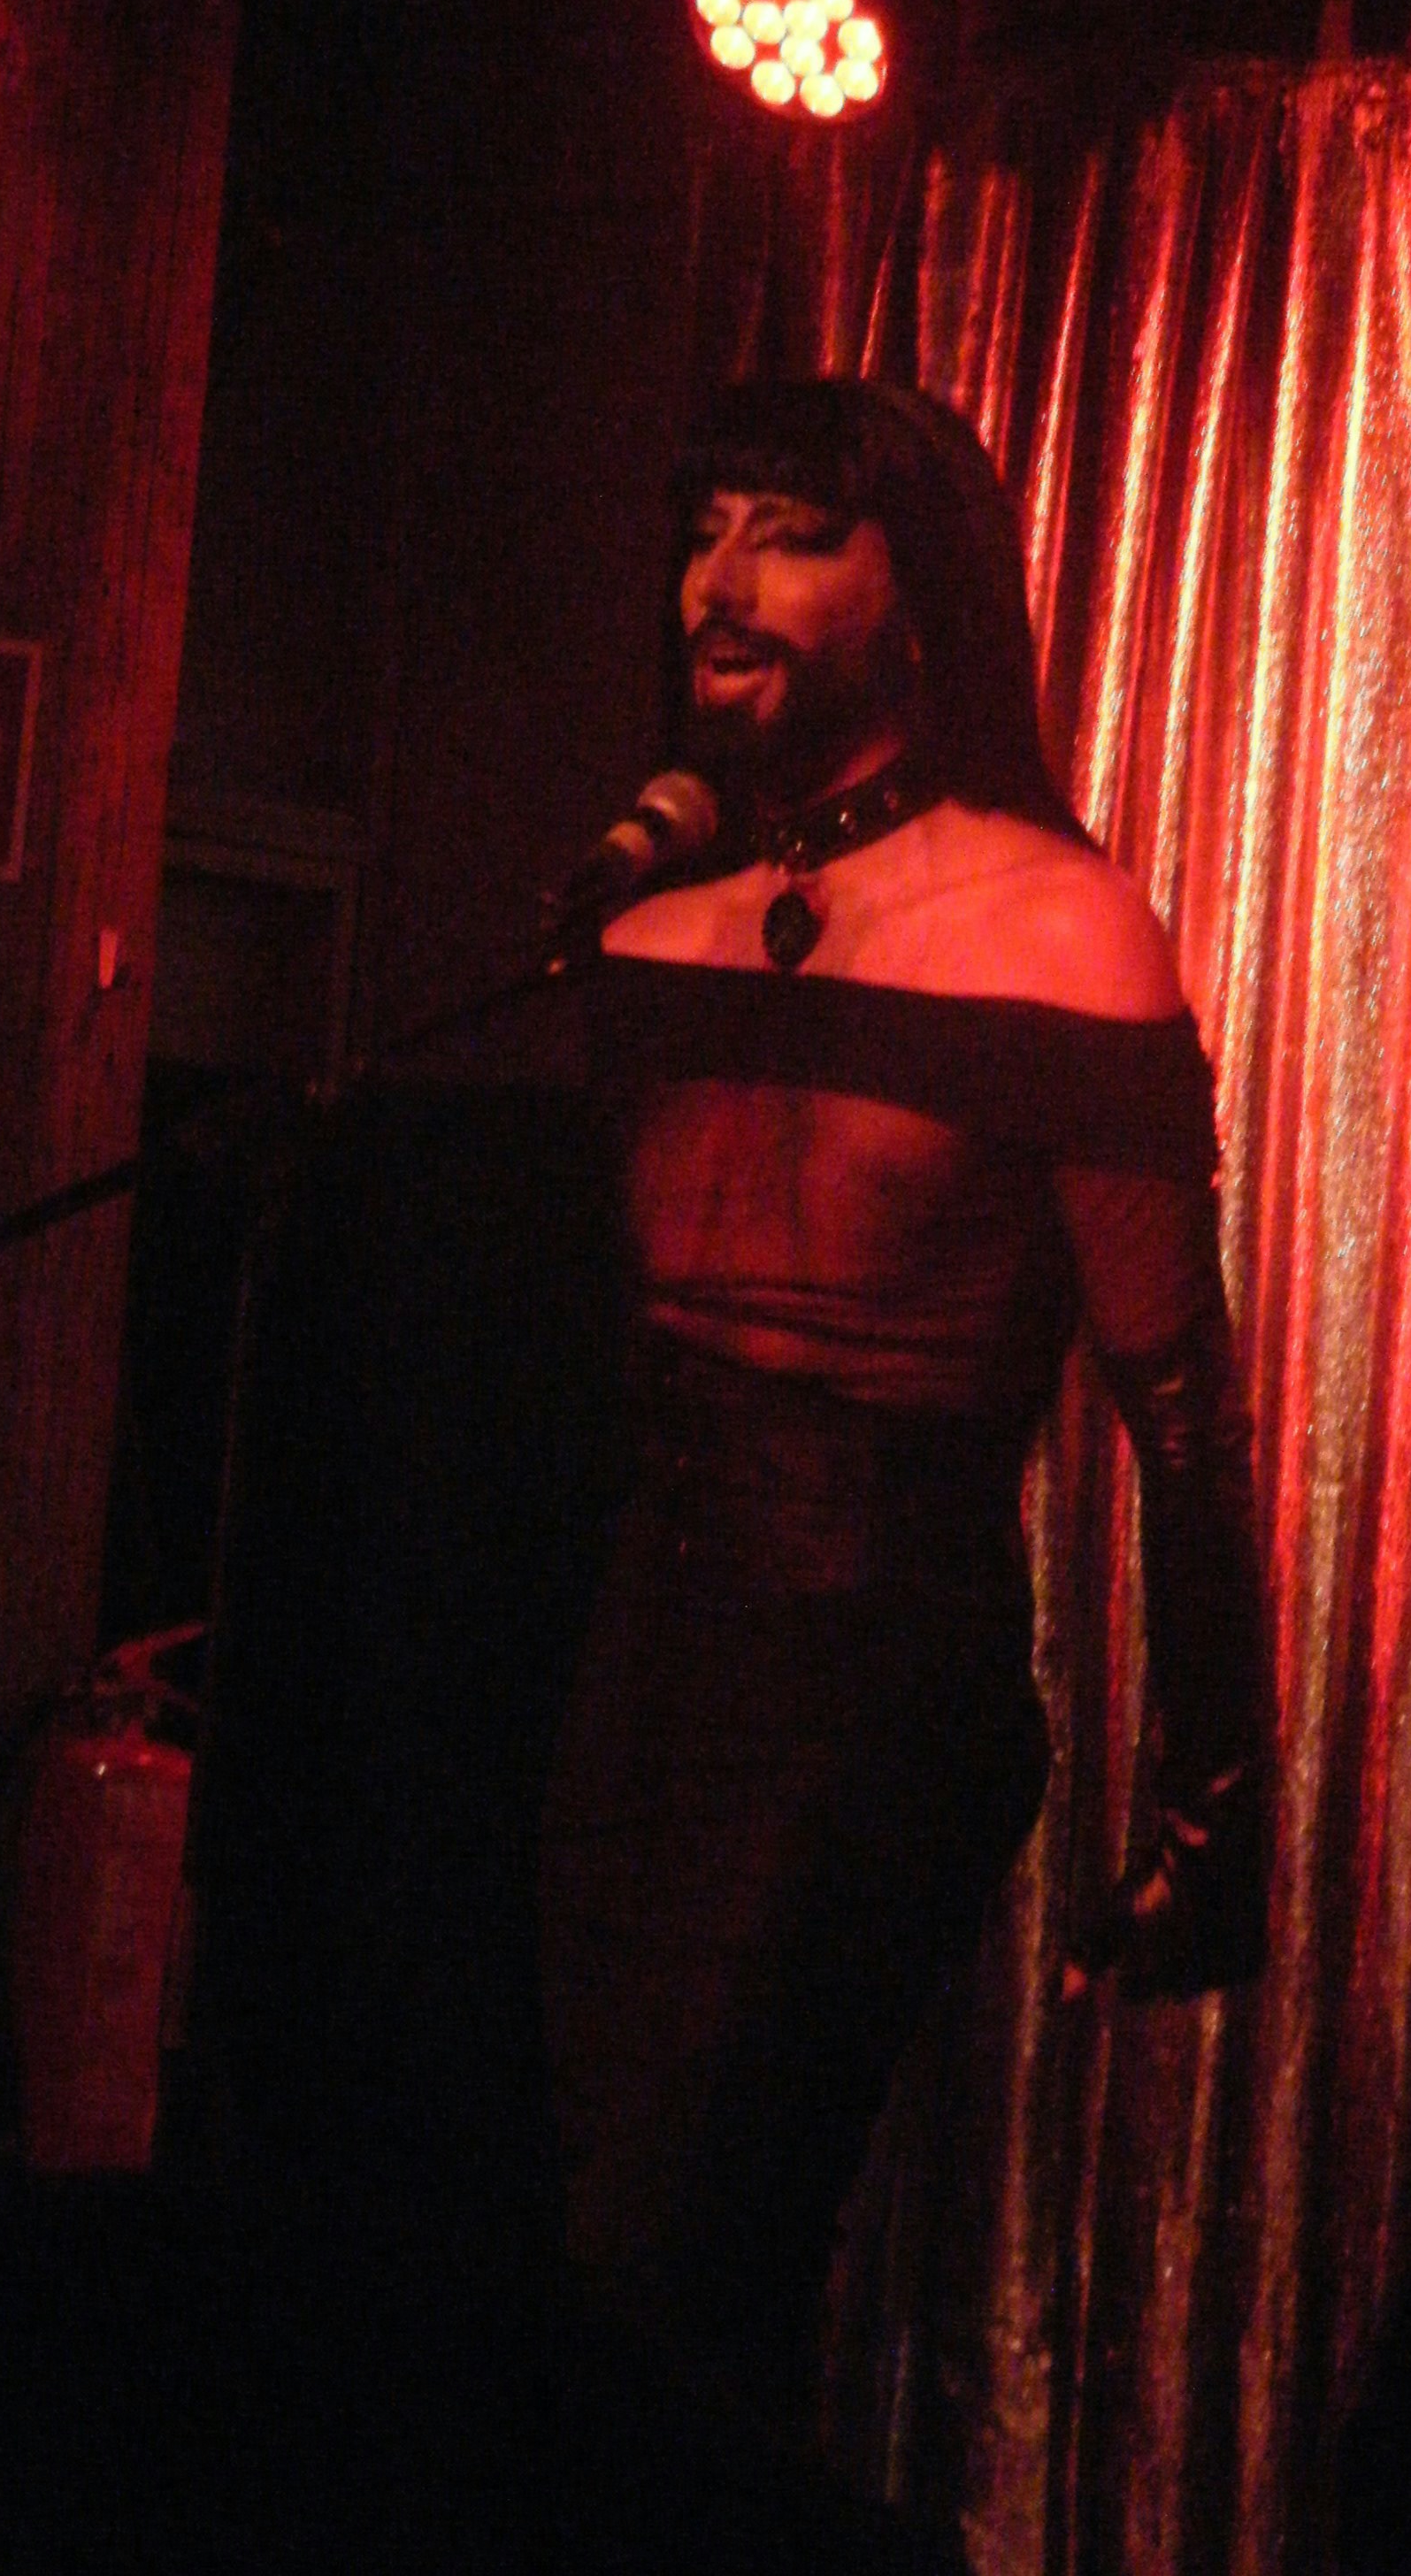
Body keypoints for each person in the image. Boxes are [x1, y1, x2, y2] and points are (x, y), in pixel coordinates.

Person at [534, 377, 1271, 2471]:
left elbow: (1183, 1409)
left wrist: (1216, 1796)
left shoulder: (1060, 929)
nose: (721, 578)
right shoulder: (650, 915)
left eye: (789, 532)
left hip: (876, 1658)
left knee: (692, 2237)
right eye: (707, 524)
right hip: (639, 1646)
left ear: (920, 596)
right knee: (601, 2237)